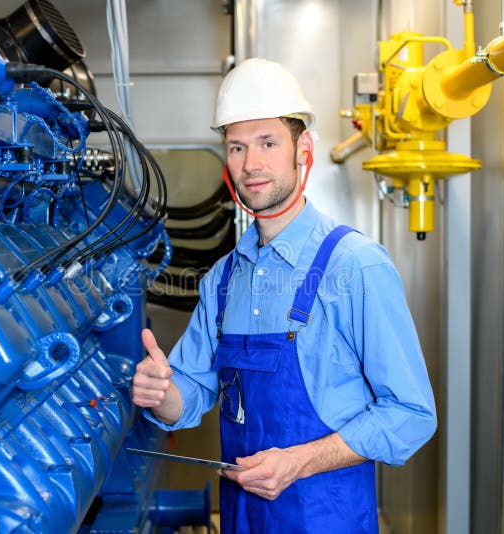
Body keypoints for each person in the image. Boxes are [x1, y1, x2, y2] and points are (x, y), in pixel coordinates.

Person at [132, 57, 437, 533]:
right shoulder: (222, 279)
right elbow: (190, 393)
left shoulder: (355, 266)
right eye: (236, 147)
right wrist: (162, 392)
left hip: (326, 518)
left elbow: (411, 414)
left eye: (267, 143)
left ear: (303, 148)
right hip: (240, 519)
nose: (251, 164)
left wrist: (301, 461)